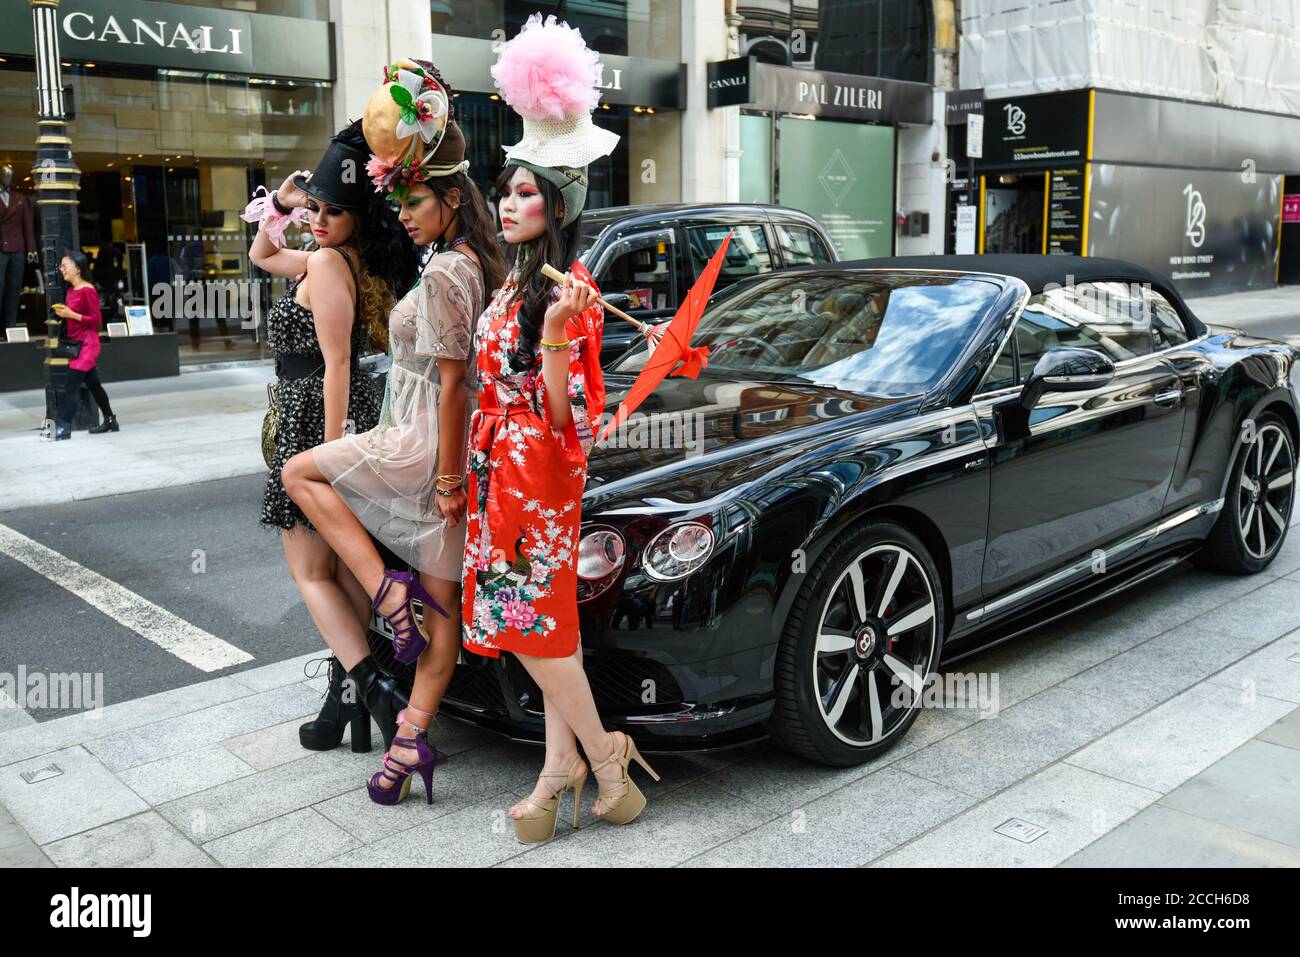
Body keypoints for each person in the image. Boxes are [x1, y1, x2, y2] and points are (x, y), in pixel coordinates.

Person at [282, 59, 506, 805]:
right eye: (399, 199)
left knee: (299, 475)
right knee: (442, 625)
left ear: (450, 199)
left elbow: (452, 383)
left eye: (414, 200)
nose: (402, 212)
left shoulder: (446, 274)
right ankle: (408, 746)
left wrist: (442, 478)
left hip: (422, 441)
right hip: (452, 454)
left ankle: (384, 594)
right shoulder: (466, 259)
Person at [461, 13, 659, 844]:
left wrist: (554, 341)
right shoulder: (515, 281)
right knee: (545, 629)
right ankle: (559, 774)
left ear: (560, 201)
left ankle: (607, 758)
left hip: (536, 475)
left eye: (527, 190)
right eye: (507, 188)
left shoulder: (569, 292)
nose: (508, 202)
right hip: (495, 468)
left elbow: (565, 416)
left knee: (530, 627)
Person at [244, 120, 420, 755]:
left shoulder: (325, 262)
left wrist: (326, 452)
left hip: (314, 416)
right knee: (343, 572)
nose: (318, 219)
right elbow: (264, 255)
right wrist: (284, 204)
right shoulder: (337, 257)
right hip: (321, 413)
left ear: (359, 218)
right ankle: (348, 701)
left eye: (333, 210)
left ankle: (375, 689)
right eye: (315, 207)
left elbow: (339, 363)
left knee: (312, 572)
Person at [47, 251, 117, 440]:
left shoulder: (88, 290)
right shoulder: (70, 290)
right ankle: (111, 420)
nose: (61, 270)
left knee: (71, 386)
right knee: (94, 385)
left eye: (64, 266)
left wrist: (71, 315)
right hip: (76, 344)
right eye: (61, 266)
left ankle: (63, 427)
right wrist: (62, 314)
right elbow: (72, 315)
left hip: (88, 344)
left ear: (77, 269)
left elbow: (96, 321)